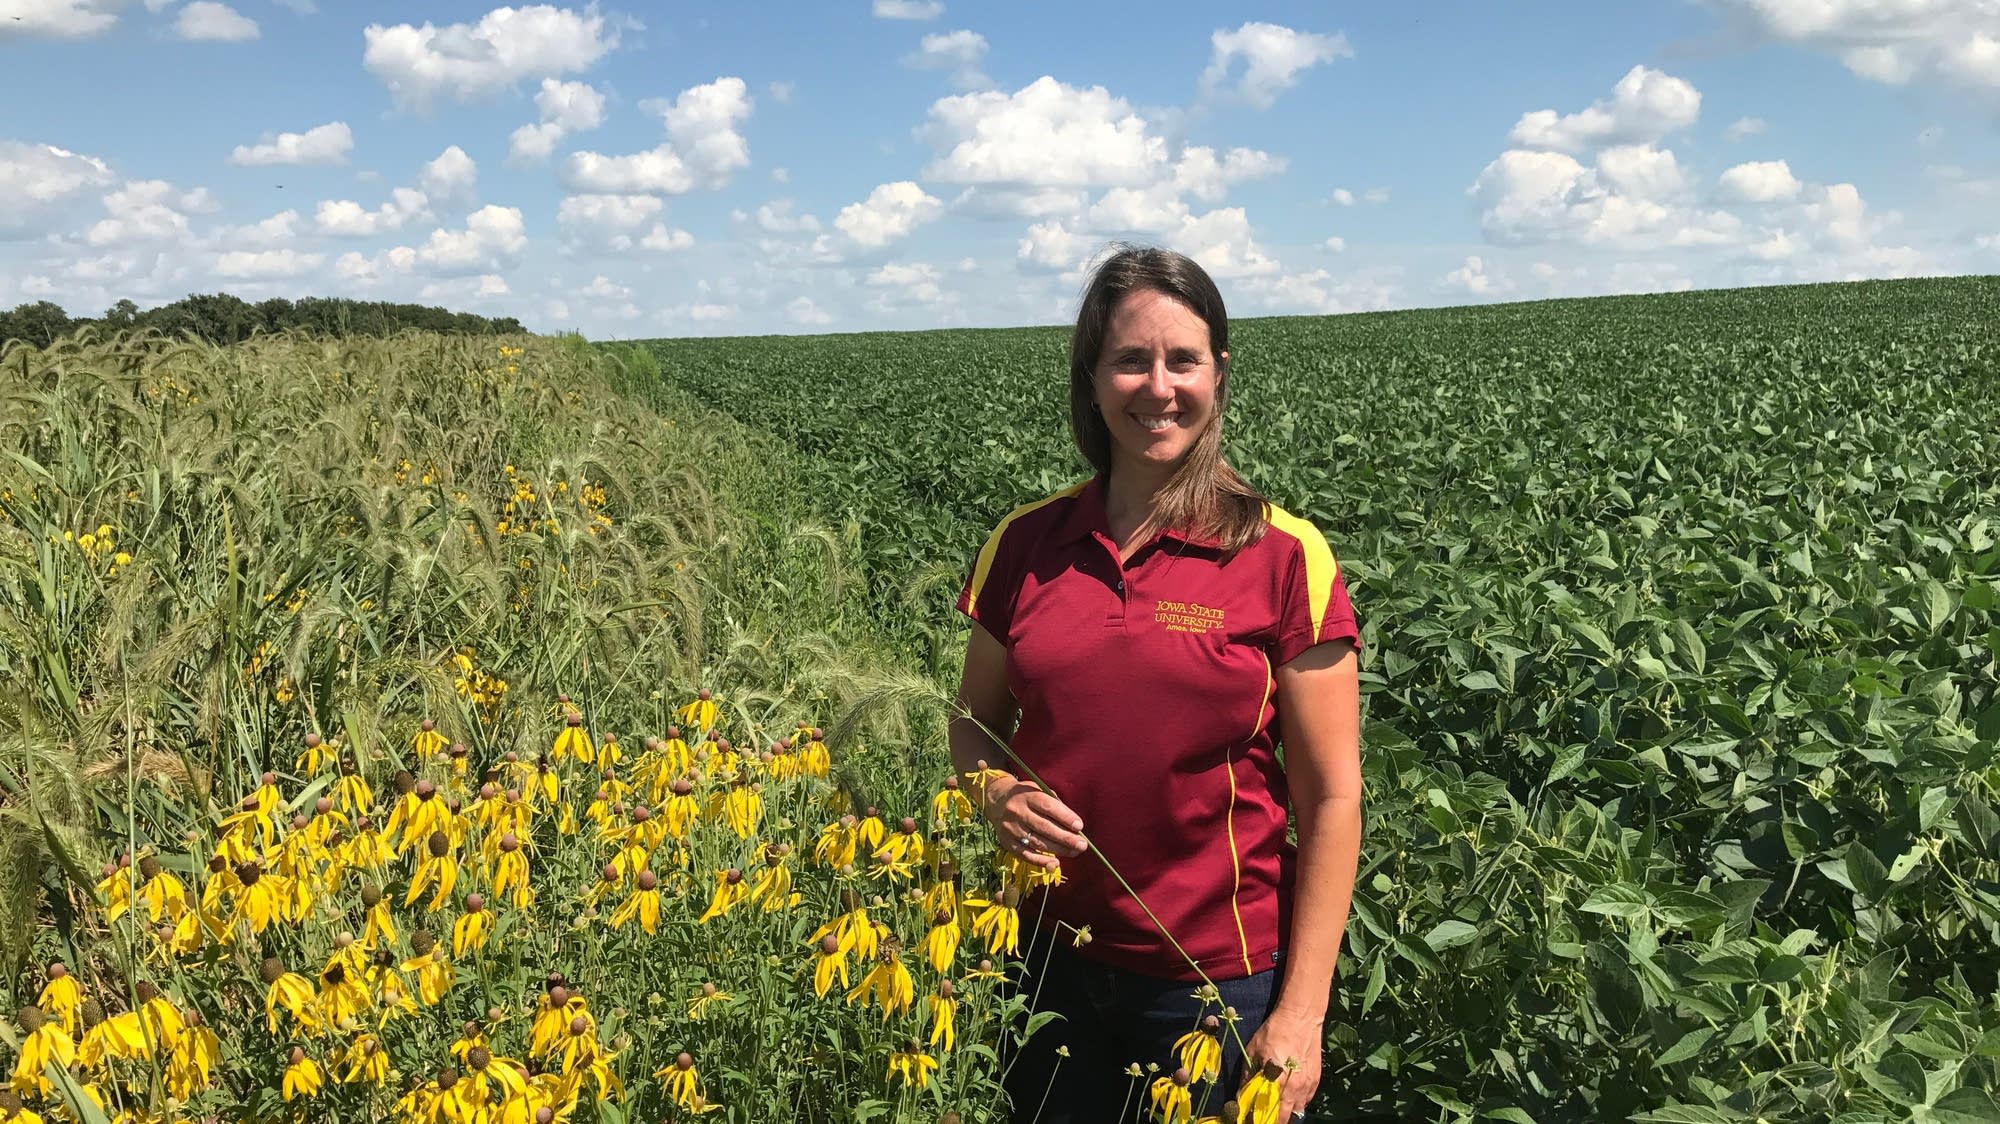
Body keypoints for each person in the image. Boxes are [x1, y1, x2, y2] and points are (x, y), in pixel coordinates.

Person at [949, 245, 1364, 1123]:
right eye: (1131, 360)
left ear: (1219, 372)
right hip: (1037, 957)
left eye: (1184, 359)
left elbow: (1333, 797)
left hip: (1213, 986)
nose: (1158, 387)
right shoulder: (1026, 544)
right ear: (1092, 380)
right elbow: (971, 721)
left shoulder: (1285, 556)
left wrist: (1302, 1011)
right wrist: (992, 793)